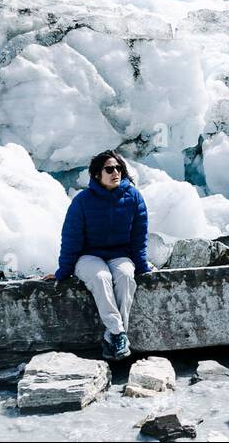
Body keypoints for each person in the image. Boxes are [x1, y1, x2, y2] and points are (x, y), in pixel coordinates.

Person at [45, 151, 153, 360]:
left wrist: (142, 266)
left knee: (125, 277)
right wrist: (63, 272)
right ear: (96, 175)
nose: (116, 172)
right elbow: (71, 238)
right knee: (101, 277)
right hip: (88, 256)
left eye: (119, 168)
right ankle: (119, 334)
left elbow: (139, 236)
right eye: (109, 169)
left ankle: (113, 335)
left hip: (119, 255)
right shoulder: (82, 201)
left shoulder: (133, 197)